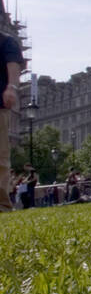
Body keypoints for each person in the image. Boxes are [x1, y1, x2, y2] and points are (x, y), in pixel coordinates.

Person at [0, 28, 24, 215]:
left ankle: (2, 205)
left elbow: (14, 65)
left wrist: (12, 87)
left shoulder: (6, 41)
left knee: (0, 156)